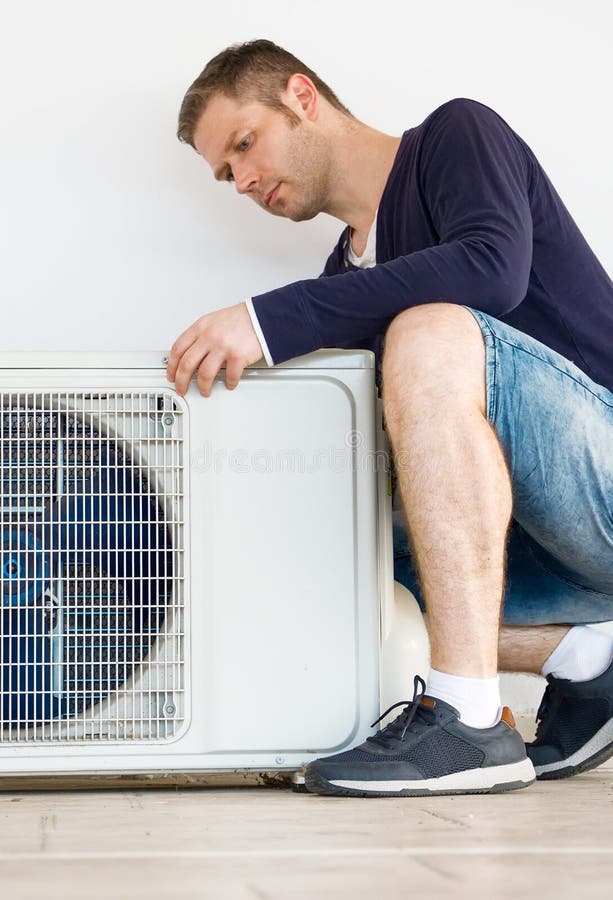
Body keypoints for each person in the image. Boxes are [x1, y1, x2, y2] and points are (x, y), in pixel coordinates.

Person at [166, 39, 613, 797]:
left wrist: (267, 320)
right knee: (328, 527)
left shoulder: (454, 137)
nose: (241, 180)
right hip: (544, 556)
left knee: (427, 328)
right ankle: (586, 657)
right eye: (224, 174)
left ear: (300, 97)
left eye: (244, 144)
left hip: (596, 479)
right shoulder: (347, 281)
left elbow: (491, 267)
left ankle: (467, 721)